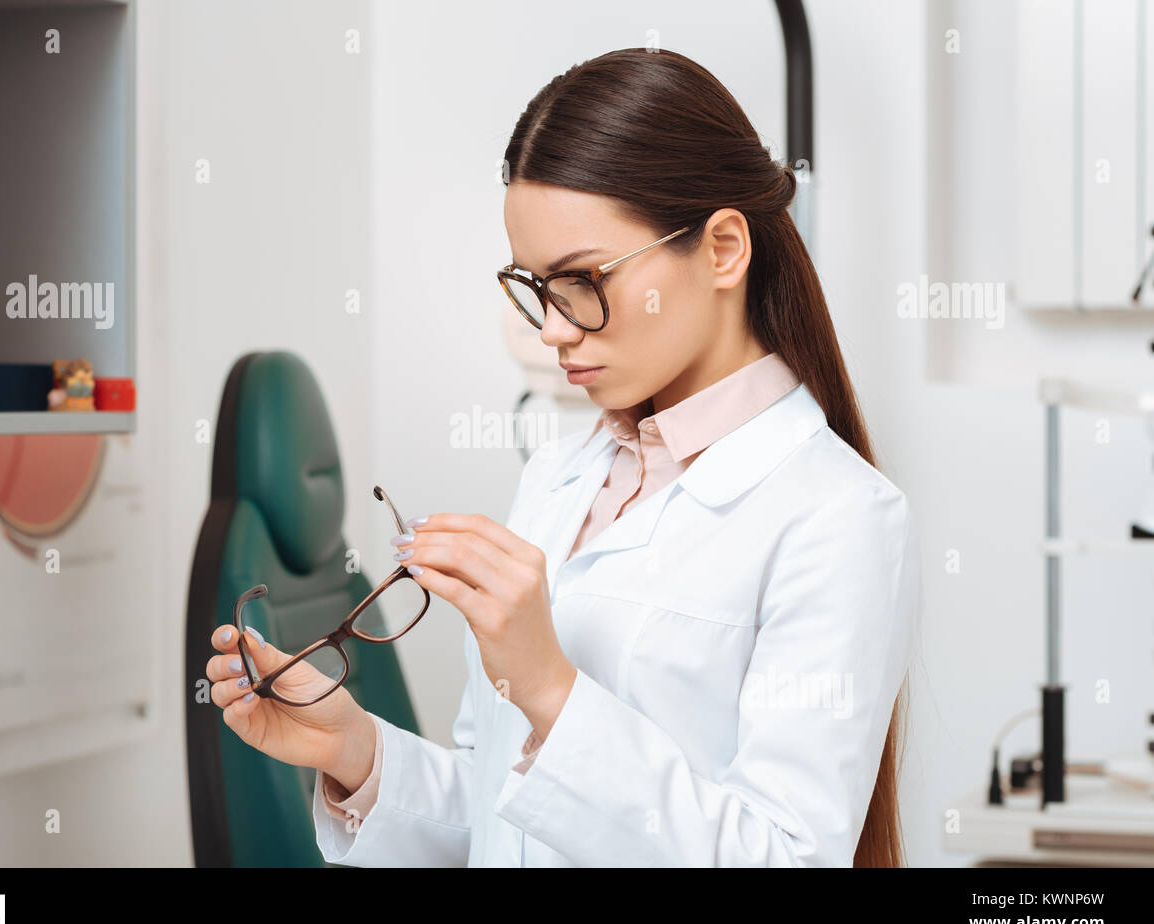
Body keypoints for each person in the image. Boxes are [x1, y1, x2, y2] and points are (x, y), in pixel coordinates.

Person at [205, 47, 919, 867]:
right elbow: (499, 810)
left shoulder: (839, 518)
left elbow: (788, 859)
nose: (552, 329)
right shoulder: (560, 477)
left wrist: (550, 685)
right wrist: (356, 751)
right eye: (536, 285)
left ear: (723, 249)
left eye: (581, 280)